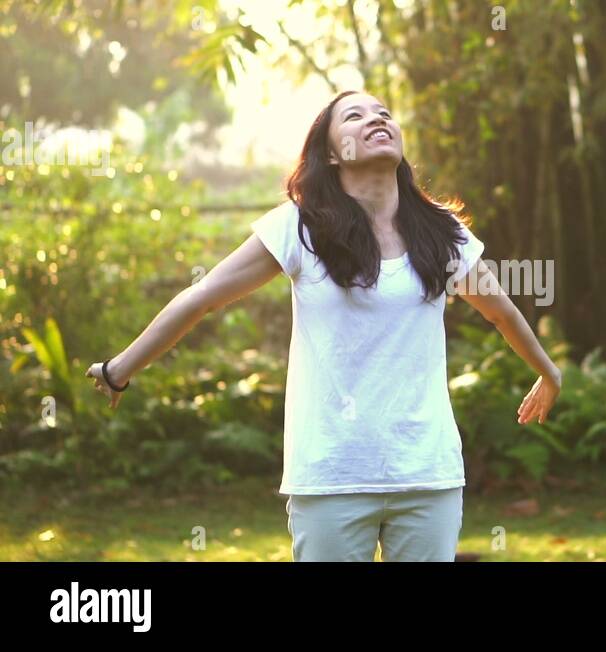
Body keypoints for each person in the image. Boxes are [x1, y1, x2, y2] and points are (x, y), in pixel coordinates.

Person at [85, 90, 562, 562]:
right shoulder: (299, 228)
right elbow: (202, 298)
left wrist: (547, 371)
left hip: (427, 473)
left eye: (384, 113)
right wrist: (118, 369)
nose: (376, 119)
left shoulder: (443, 234)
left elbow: (500, 311)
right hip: (331, 475)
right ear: (333, 153)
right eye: (355, 116)